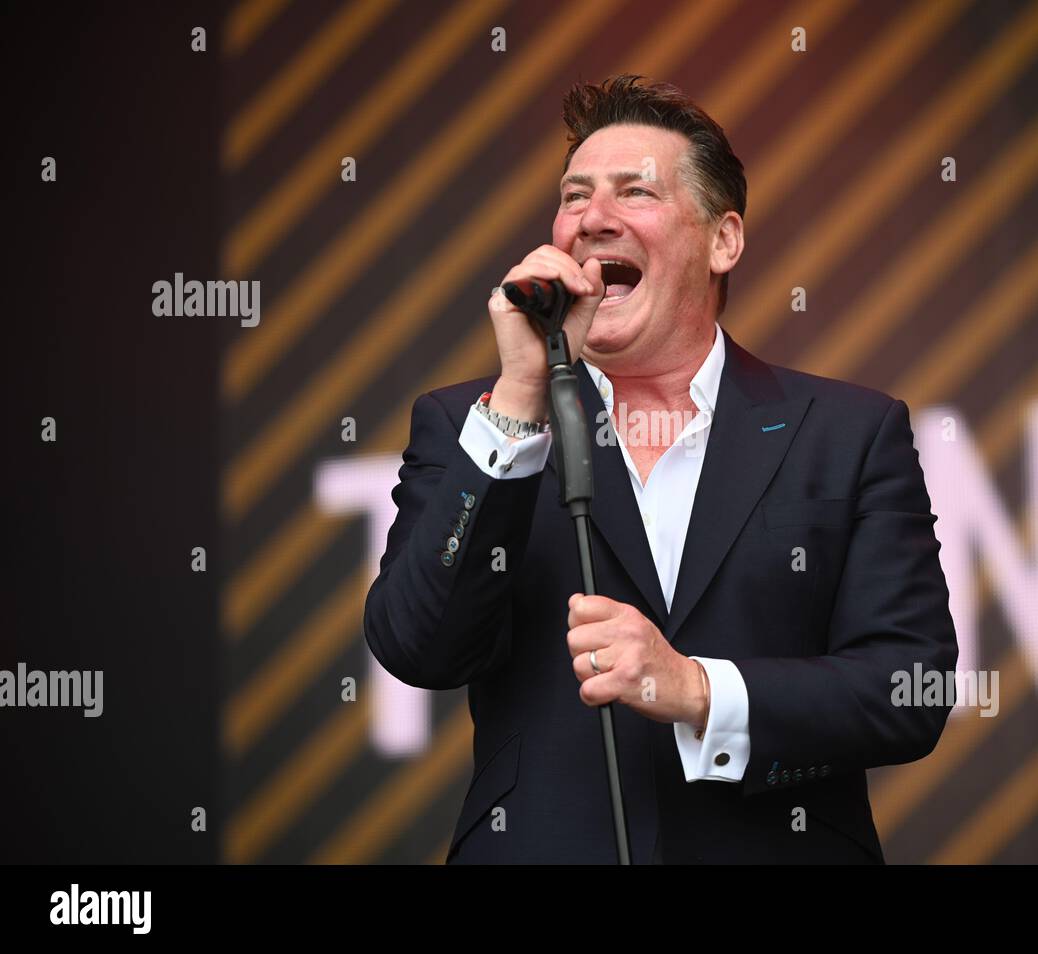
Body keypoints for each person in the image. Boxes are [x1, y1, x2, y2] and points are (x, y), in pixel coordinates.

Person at [364, 74, 958, 864]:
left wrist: (697, 691)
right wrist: (518, 398)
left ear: (724, 240)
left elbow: (909, 689)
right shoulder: (473, 425)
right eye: (575, 196)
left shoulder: (846, 433)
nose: (592, 219)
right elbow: (416, 646)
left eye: (634, 192)